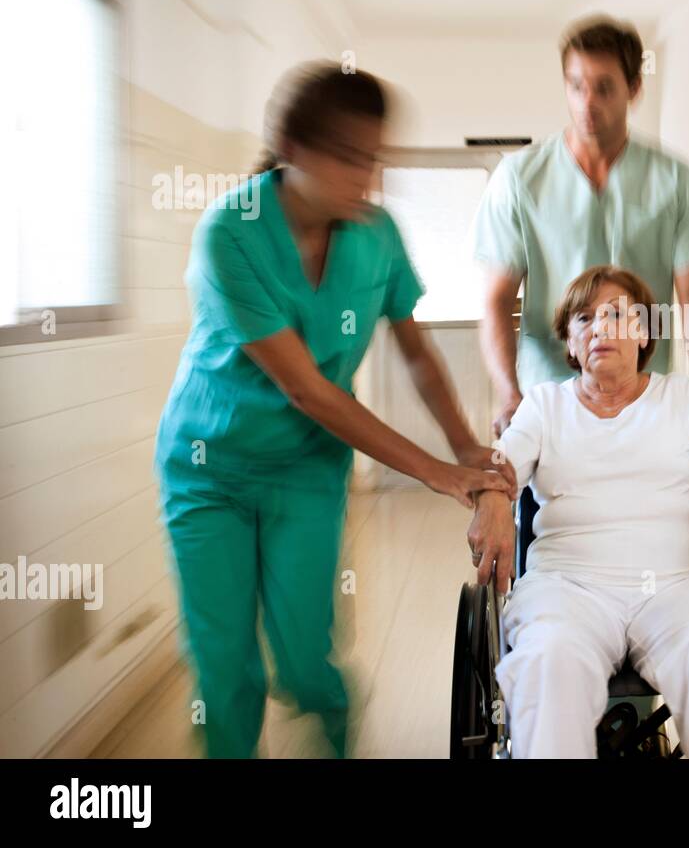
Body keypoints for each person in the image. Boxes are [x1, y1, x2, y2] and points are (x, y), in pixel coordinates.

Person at [154, 61, 514, 758]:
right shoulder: (230, 232)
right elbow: (306, 389)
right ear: (293, 151)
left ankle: (336, 729)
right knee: (224, 669)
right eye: (350, 160)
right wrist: (435, 472)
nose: (368, 179)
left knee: (303, 662)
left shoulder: (375, 233)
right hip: (208, 470)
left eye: (374, 159)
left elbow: (415, 352)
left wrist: (464, 444)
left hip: (306, 472)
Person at [467, 265, 689, 758]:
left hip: (682, 585)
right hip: (568, 588)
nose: (600, 327)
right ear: (570, 344)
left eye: (617, 314)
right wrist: (491, 501)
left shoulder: (683, 399)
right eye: (584, 318)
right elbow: (499, 469)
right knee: (548, 660)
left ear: (643, 332)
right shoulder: (544, 406)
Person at [474, 13, 689, 443]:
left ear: (634, 88)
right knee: (549, 511)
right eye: (576, 85)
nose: (587, 102)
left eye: (604, 87)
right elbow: (496, 300)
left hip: (646, 403)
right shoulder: (519, 179)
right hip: (548, 402)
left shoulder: (676, 182)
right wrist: (509, 396)